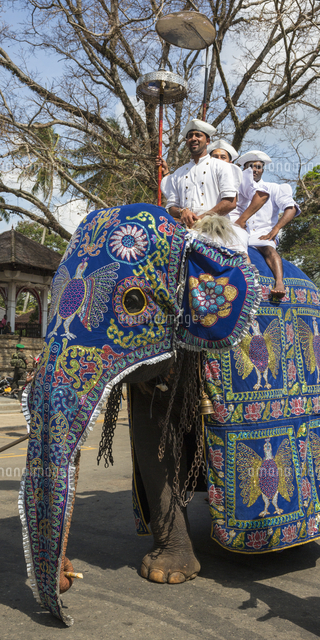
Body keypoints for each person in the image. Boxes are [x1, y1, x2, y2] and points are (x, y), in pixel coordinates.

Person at [235, 150, 300, 297]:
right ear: (244, 170)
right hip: (239, 234)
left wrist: (276, 228)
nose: (254, 170)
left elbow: (291, 208)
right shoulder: (236, 189)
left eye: (258, 167)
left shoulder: (274, 188)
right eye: (250, 166)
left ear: (263, 170)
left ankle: (279, 283)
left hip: (263, 235)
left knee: (269, 250)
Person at [156, 119, 238, 228]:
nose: (193, 138)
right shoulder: (178, 173)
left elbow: (230, 203)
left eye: (198, 135)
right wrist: (182, 211)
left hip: (217, 228)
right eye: (190, 136)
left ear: (207, 141)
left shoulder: (222, 166)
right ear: (186, 142)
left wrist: (201, 219)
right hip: (185, 229)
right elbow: (171, 207)